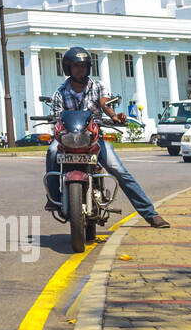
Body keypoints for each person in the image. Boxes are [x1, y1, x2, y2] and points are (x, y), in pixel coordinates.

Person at [44, 47, 170, 229]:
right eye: (76, 66)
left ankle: (151, 214)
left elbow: (104, 103)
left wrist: (113, 115)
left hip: (93, 139)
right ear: (68, 69)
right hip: (67, 140)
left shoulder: (98, 86)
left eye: (84, 66)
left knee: (118, 169)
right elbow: (56, 118)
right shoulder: (60, 93)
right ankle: (54, 197)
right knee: (51, 150)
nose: (81, 70)